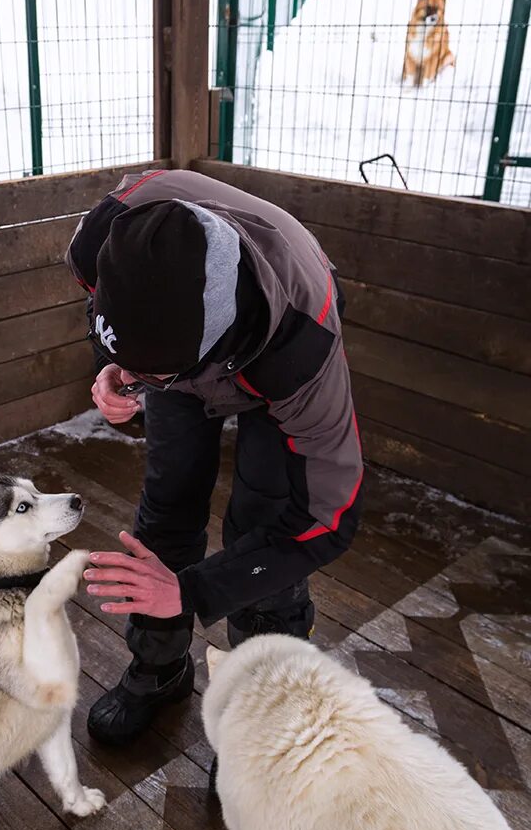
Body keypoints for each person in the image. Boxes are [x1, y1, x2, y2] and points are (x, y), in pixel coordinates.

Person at [65, 168, 362, 747]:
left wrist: (193, 592)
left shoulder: (303, 346)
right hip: (187, 343)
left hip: (271, 335)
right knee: (168, 500)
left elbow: (327, 516)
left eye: (154, 375)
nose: (139, 382)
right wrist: (115, 367)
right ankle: (159, 667)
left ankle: (260, 703)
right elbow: (116, 319)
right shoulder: (101, 238)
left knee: (266, 515)